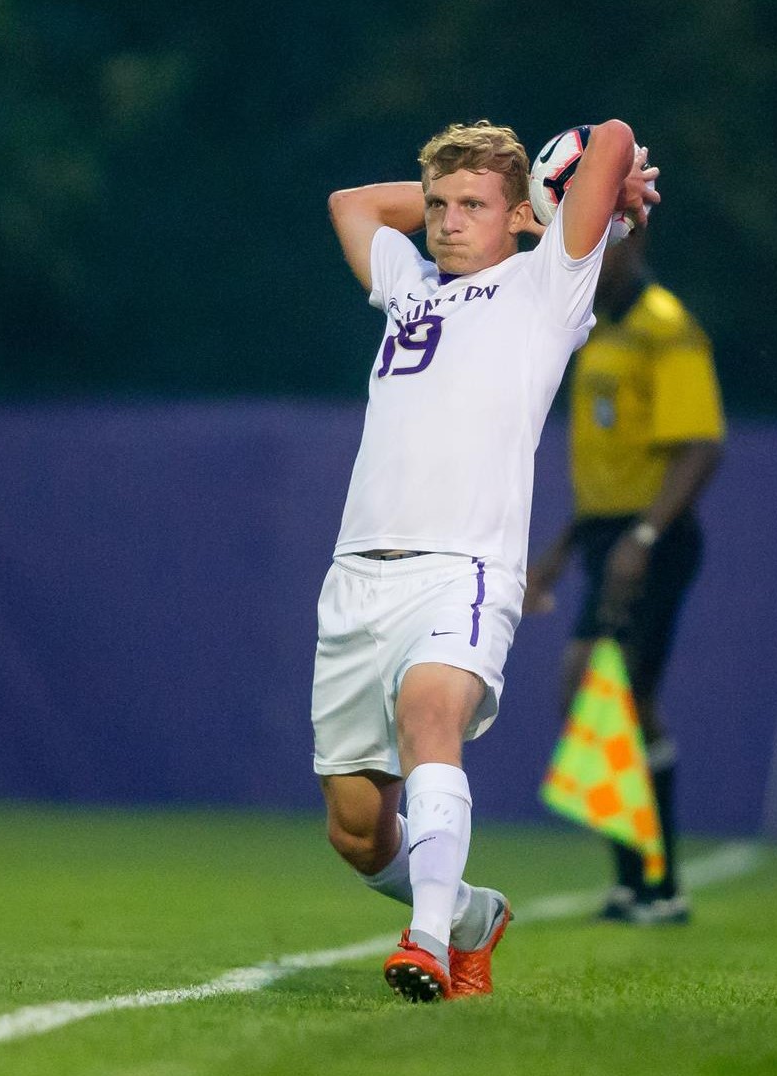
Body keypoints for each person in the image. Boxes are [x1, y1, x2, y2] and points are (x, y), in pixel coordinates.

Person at [317, 119, 658, 1002]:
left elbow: (613, 139)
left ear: (517, 217)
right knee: (357, 834)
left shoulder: (544, 288)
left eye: (472, 205)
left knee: (430, 716)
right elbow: (351, 205)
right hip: (357, 576)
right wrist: (483, 192)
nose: (446, 220)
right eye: (438, 206)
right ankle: (470, 914)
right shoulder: (409, 286)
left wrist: (554, 205)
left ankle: (428, 939)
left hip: (461, 568)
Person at [526, 217, 724, 925]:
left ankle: (660, 887)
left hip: (654, 535)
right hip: (606, 533)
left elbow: (700, 447)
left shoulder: (665, 326)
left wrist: (643, 537)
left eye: (600, 245)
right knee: (599, 697)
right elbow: (605, 468)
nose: (586, 258)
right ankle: (635, 883)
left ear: (633, 241)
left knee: (612, 695)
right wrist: (561, 550)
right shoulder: (598, 330)